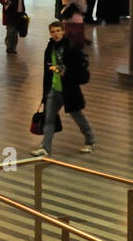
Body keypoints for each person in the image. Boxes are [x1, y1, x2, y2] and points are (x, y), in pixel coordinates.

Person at [30, 21, 95, 157]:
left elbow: (77, 69)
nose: (56, 34)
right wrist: (45, 92)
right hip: (54, 89)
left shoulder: (71, 48)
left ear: (63, 31)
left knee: (78, 116)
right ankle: (46, 148)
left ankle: (90, 141)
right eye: (53, 32)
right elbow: (47, 72)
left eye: (58, 31)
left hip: (69, 90)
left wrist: (63, 71)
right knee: (49, 118)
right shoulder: (50, 47)